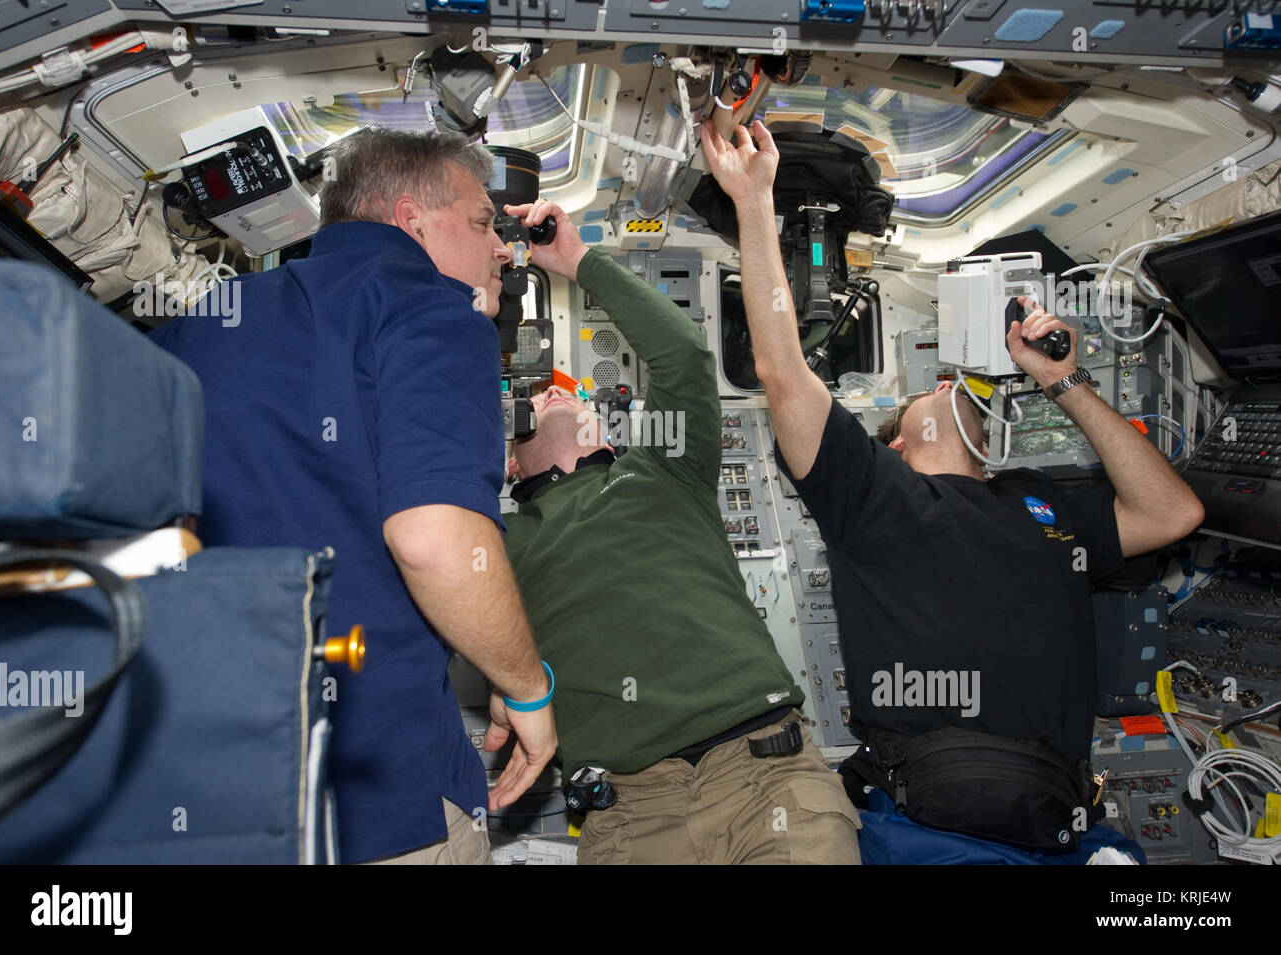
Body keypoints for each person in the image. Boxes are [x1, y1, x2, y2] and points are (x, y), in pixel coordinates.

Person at [699, 117, 1205, 858]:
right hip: (932, 827)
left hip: (1063, 826)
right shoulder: (871, 496)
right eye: (925, 390)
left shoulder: (1041, 498)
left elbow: (1174, 512)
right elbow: (782, 371)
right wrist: (751, 202)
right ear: (899, 442)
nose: (944, 379)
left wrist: (1062, 379)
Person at [150, 127, 556, 864]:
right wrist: (525, 686)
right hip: (379, 797)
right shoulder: (435, 310)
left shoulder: (195, 325)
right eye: (482, 224)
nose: (502, 249)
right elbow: (433, 539)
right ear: (412, 221)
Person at [500, 198, 861, 865]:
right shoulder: (497, 538)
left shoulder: (665, 469)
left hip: (763, 775)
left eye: (569, 389)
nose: (553, 391)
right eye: (533, 395)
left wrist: (577, 259)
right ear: (506, 455)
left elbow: (683, 357)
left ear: (606, 428)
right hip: (632, 813)